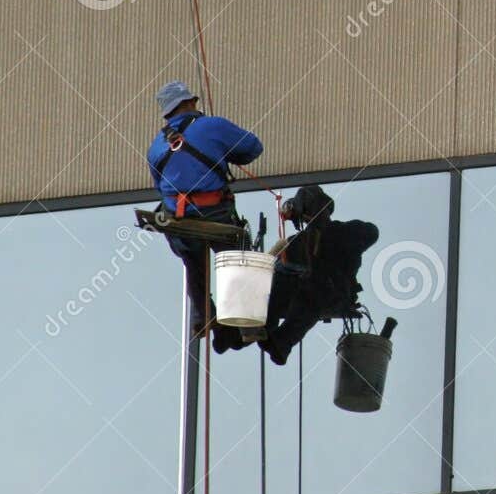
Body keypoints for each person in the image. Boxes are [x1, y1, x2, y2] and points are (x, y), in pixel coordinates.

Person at [146, 81, 264, 352]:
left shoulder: (155, 146)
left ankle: (203, 315)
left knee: (193, 261)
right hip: (214, 213)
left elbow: (161, 186)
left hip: (178, 221)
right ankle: (246, 322)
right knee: (237, 256)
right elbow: (253, 148)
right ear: (189, 103)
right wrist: (222, 150)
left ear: (168, 113)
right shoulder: (211, 126)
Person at [263, 185, 380, 365]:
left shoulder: (343, 232)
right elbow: (278, 268)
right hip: (309, 294)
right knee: (282, 282)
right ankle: (265, 333)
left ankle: (280, 341)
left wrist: (327, 236)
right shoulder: (299, 242)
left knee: (311, 293)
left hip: (330, 293)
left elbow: (372, 232)